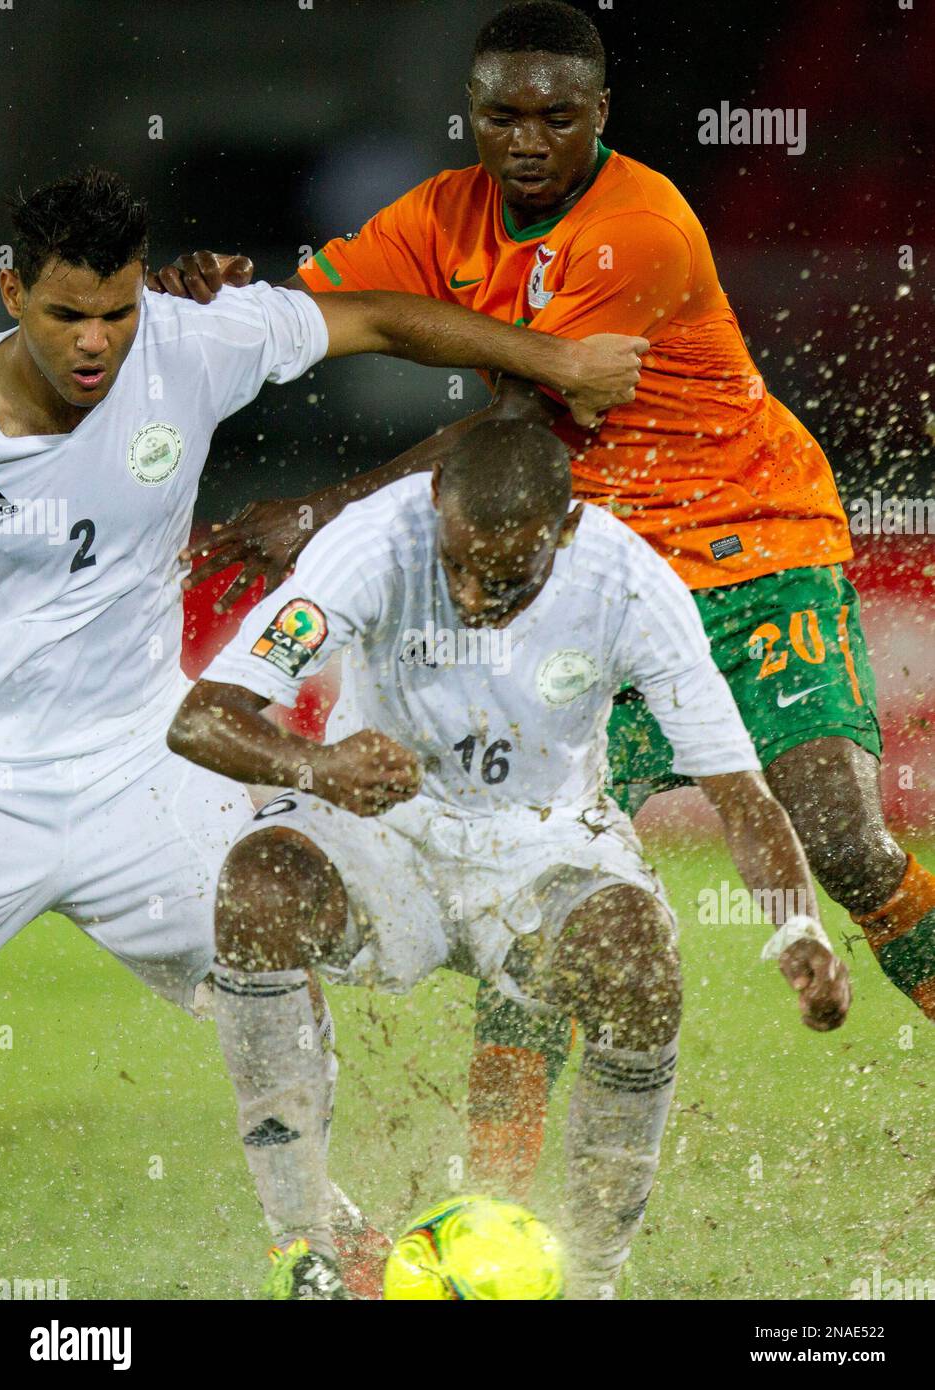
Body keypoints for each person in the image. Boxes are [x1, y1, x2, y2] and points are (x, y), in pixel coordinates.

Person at [159, 0, 935, 1196]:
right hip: (583, 566)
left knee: (840, 839)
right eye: (500, 115)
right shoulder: (443, 215)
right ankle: (496, 1210)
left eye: (556, 118)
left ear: (601, 117)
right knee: (533, 862)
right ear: (470, 112)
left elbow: (519, 422)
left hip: (750, 542)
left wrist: (315, 512)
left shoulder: (640, 225)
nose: (525, 141)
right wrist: (204, 301)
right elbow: (316, 315)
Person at [0, 164, 644, 1293]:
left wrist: (553, 361)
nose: (96, 343)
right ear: (10, 294)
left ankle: (320, 1247)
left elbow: (376, 313)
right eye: (65, 315)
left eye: (117, 312)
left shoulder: (188, 344)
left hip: (145, 768)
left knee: (273, 964)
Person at [167, 418, 850, 1299]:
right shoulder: (371, 542)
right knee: (259, 883)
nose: (470, 595)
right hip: (383, 833)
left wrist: (796, 924)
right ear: (434, 504)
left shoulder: (630, 583)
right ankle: (302, 1246)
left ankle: (594, 1280)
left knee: (638, 960)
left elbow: (739, 795)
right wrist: (318, 767)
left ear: (564, 530)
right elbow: (200, 719)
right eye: (453, 563)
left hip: (545, 847)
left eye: (504, 576)